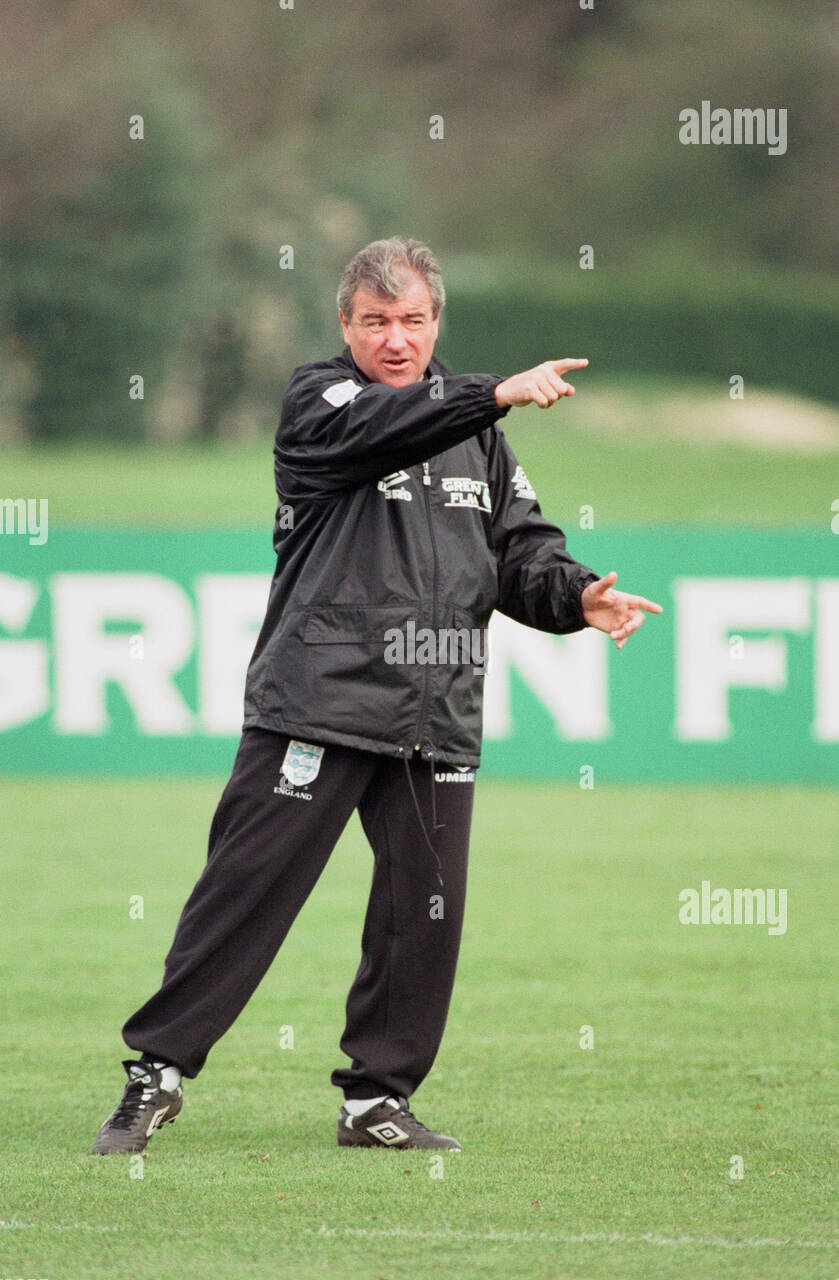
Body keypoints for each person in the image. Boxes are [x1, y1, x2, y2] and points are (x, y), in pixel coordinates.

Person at [92, 237, 662, 1155]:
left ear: (436, 322)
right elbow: (385, 428)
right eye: (375, 322)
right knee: (245, 894)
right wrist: (491, 391)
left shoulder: (479, 437)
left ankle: (377, 1100)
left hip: (435, 713)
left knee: (422, 916)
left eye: (412, 321)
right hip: (320, 697)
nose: (395, 340)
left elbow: (521, 555)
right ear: (345, 325)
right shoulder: (321, 402)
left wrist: (575, 595)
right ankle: (154, 1074)